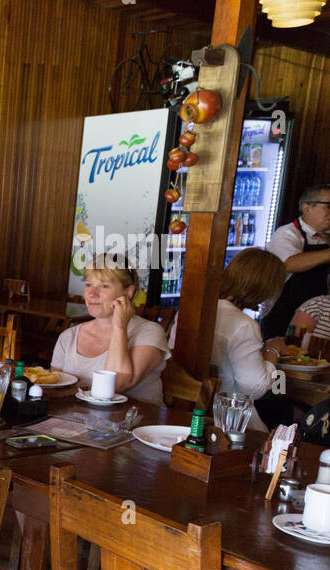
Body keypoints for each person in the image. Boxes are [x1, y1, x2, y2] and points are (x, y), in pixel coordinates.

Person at [169, 248, 290, 431]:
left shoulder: (191, 311)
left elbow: (172, 357)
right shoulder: (245, 325)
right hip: (229, 423)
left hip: (182, 409)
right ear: (264, 289)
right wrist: (272, 350)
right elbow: (255, 388)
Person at [50, 257, 169, 403]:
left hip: (135, 423)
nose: (92, 294)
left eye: (104, 286)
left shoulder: (150, 332)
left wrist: (119, 327)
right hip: (79, 420)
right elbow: (55, 389)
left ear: (128, 293)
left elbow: (115, 385)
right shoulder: (69, 336)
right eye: (88, 285)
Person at [261, 184, 330, 340]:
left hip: (317, 322)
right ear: (306, 208)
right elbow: (289, 263)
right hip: (284, 318)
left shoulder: (326, 236)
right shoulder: (287, 234)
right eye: (328, 206)